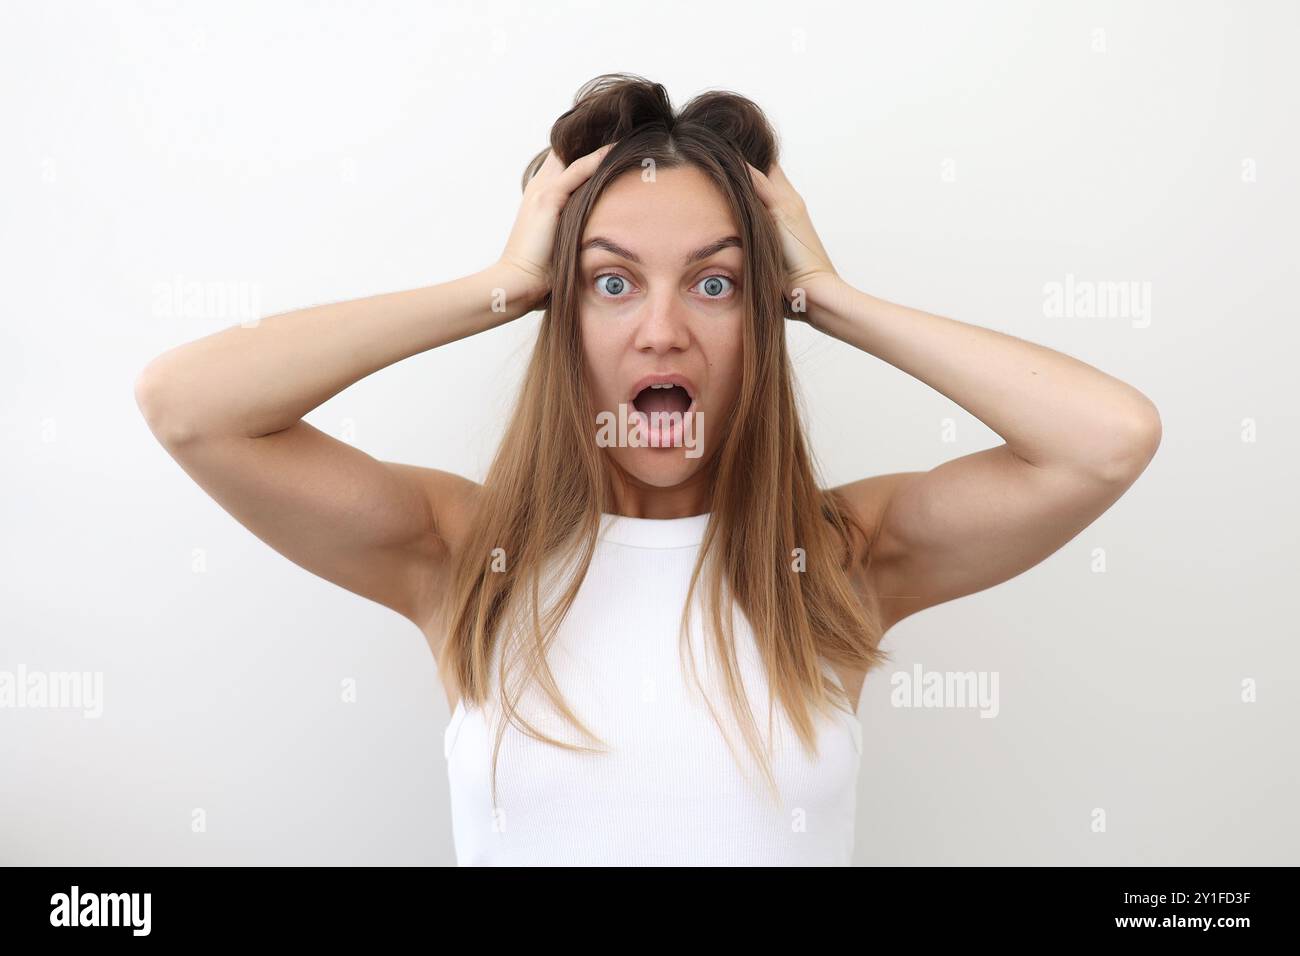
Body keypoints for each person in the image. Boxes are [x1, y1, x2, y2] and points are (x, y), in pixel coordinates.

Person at [134, 74, 1161, 865]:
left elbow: (1106, 436)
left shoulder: (841, 560)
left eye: (714, 283)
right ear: (559, 315)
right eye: (612, 282)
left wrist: (821, 291)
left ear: (759, 318)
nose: (663, 331)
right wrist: (500, 284)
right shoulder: (462, 554)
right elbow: (188, 405)